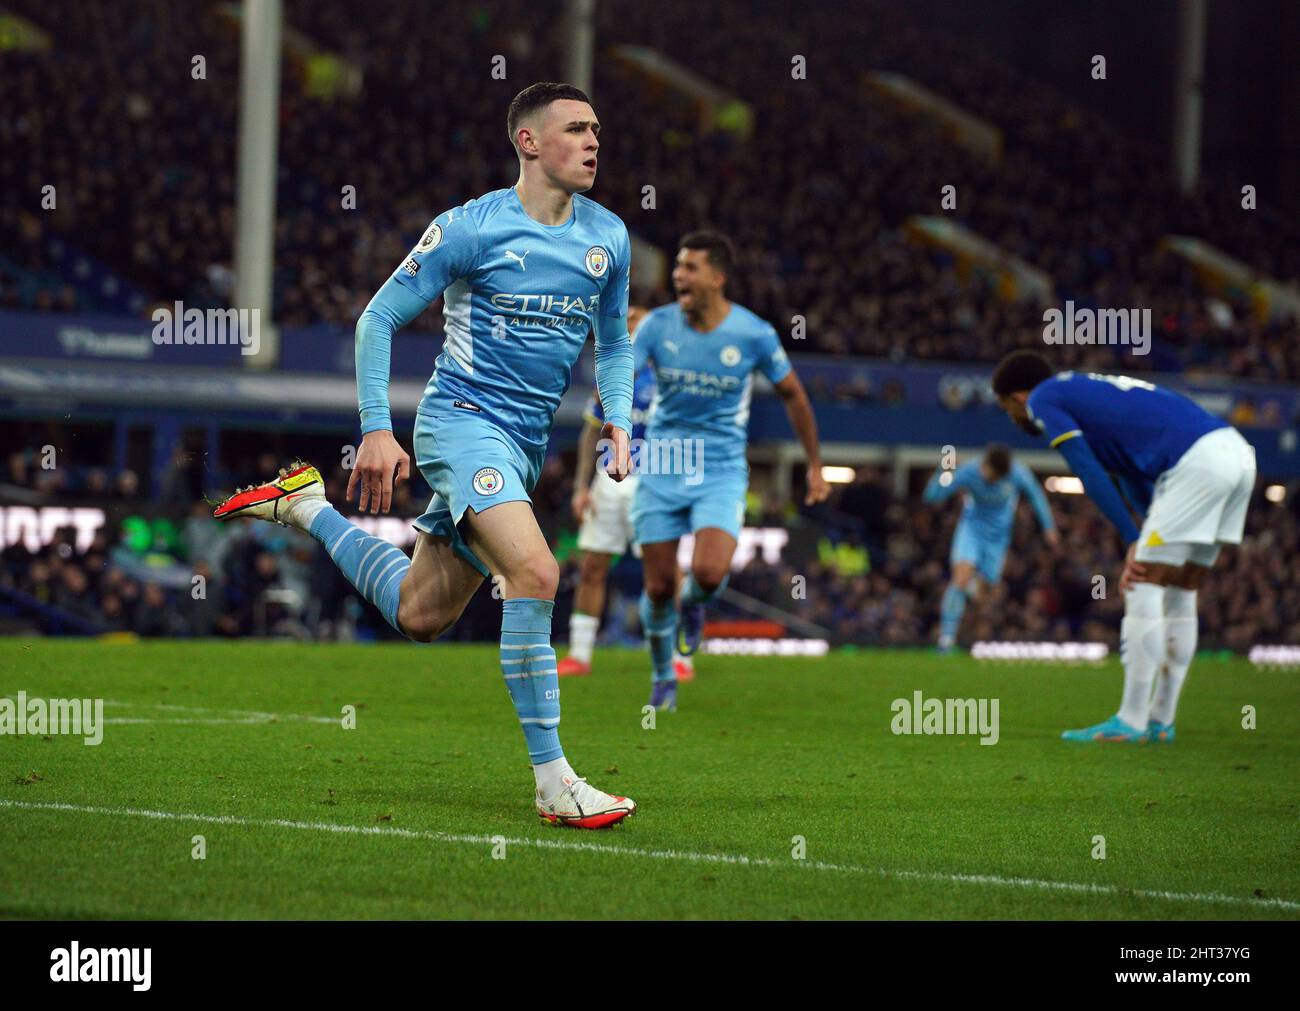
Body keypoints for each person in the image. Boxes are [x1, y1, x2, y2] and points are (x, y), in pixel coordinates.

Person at [214, 83, 637, 827]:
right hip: (461, 423)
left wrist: (621, 421)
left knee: (420, 613)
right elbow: (378, 317)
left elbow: (616, 340)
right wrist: (377, 427)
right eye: (576, 129)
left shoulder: (610, 240)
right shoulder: (470, 229)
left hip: (522, 448)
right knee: (536, 570)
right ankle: (554, 780)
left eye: (597, 128)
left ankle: (307, 504)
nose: (594, 141)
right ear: (529, 142)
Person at [992, 351, 1255, 743]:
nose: (1014, 418)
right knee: (1181, 589)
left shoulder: (1044, 399)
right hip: (1237, 454)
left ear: (1015, 396)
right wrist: (1148, 530)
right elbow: (1128, 474)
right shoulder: (1085, 391)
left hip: (1196, 463)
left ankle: (1131, 720)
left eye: (1006, 408)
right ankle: (1161, 721)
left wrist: (1135, 540)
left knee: (1142, 583)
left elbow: (1088, 471)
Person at [630, 230, 829, 713]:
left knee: (709, 571)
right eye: (677, 266)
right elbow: (619, 379)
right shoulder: (656, 326)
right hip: (661, 463)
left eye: (690, 267)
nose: (678, 275)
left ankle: (695, 603)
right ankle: (663, 676)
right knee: (658, 586)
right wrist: (617, 433)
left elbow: (794, 396)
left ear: (717, 277)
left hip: (719, 466)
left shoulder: (753, 333)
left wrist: (816, 467)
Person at [923, 443, 1058, 652]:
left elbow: (1036, 496)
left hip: (998, 538)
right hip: (971, 531)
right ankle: (946, 640)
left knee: (985, 594)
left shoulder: (1018, 473)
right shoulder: (969, 471)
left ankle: (974, 620)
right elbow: (932, 496)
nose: (987, 477)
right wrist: (944, 470)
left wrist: (1048, 527)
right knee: (960, 579)